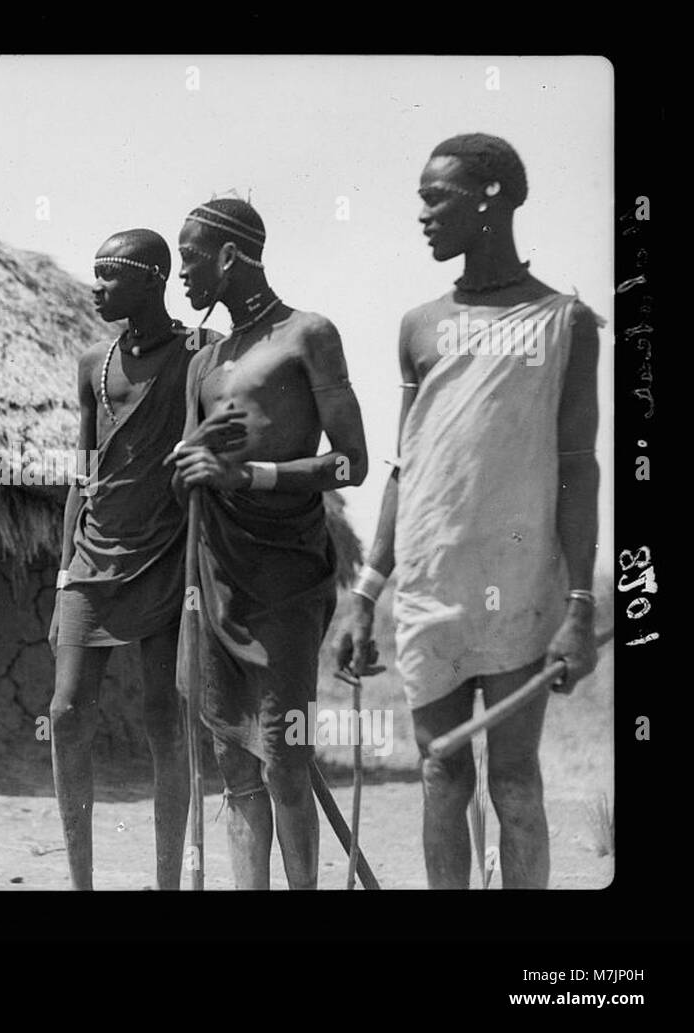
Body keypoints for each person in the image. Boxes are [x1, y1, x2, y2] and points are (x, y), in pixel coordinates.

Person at [335, 133, 600, 888]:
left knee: (514, 779)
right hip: (429, 587)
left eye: (435, 197)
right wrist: (364, 594)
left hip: (520, 584)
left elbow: (579, 469)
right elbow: (403, 466)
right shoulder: (419, 325)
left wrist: (579, 604)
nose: (421, 214)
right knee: (441, 772)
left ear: (492, 199)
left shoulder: (564, 322)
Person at [170, 198, 368, 889]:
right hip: (219, 573)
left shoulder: (309, 335)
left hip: (286, 576)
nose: (182, 273)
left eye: (190, 256)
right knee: (233, 763)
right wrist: (189, 466)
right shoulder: (206, 361)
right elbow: (189, 470)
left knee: (286, 757)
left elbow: (352, 463)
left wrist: (249, 472)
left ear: (228, 257)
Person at [47, 229, 228, 890]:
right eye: (94, 274)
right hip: (93, 559)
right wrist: (63, 574)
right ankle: (82, 884)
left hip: (166, 559)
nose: (95, 287)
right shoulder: (93, 362)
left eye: (109, 275)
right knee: (66, 713)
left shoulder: (199, 353)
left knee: (165, 716)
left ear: (153, 277)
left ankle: (166, 882)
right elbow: (84, 472)